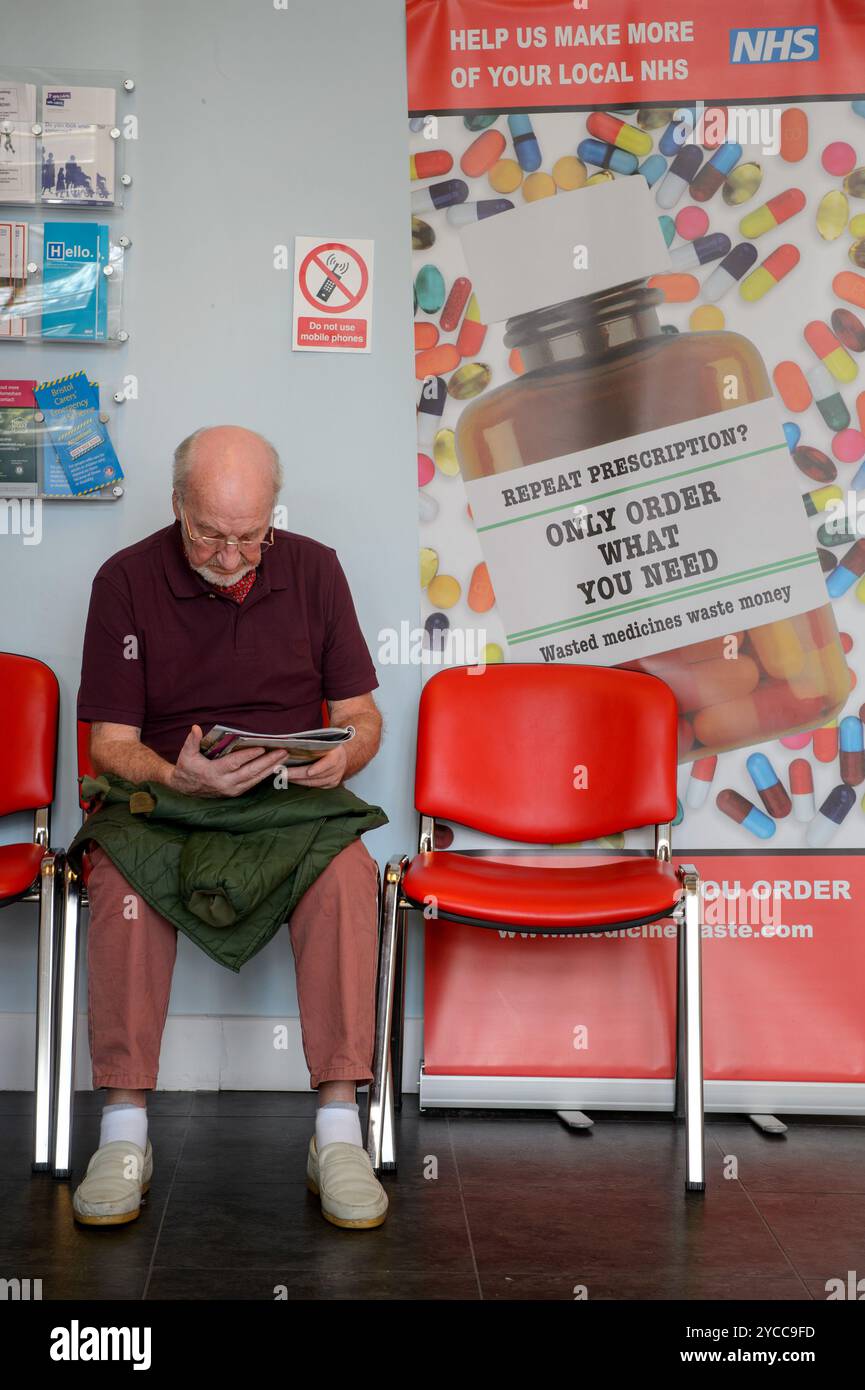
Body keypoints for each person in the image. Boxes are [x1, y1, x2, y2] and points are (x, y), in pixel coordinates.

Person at [72, 425, 388, 1230]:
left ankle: (337, 1131)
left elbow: (359, 716)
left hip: (288, 798)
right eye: (210, 533)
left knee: (349, 875)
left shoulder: (314, 568)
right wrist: (176, 774)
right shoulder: (124, 580)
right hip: (172, 800)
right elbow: (109, 746)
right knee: (122, 879)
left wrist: (343, 756)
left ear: (271, 516)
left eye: (250, 536)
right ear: (177, 504)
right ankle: (124, 1127)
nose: (230, 555)